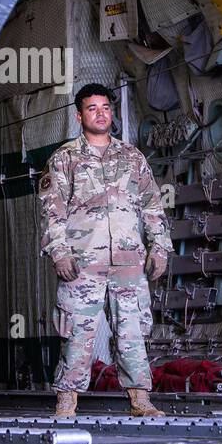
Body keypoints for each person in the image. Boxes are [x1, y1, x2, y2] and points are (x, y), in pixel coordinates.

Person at [37, 83, 172, 418]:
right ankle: (67, 401)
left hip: (129, 263)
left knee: (131, 332)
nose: (101, 114)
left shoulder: (133, 158)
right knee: (78, 331)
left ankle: (140, 400)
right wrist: (60, 252)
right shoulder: (65, 159)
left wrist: (160, 248)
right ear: (79, 114)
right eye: (93, 108)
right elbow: (51, 210)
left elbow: (153, 206)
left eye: (106, 108)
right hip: (83, 262)